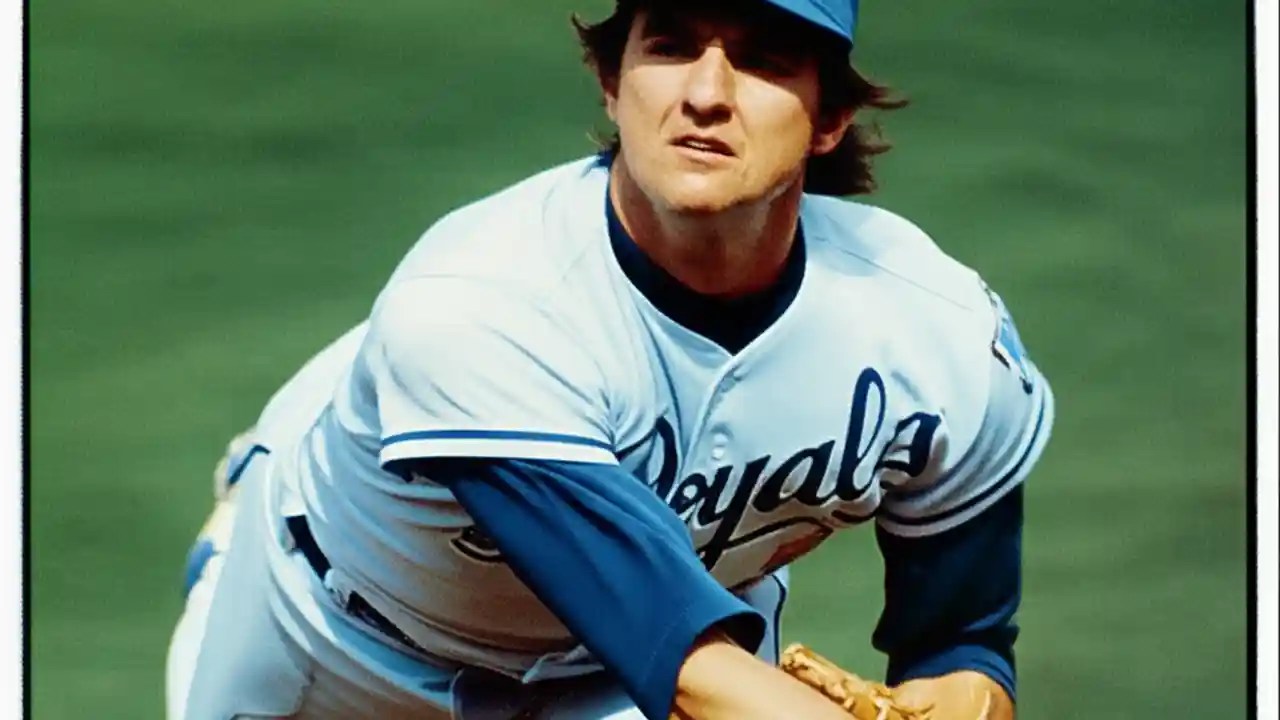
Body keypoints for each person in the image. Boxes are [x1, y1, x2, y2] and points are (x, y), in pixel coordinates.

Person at [166, 0, 1055, 717]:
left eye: (763, 58)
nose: (706, 92)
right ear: (610, 79)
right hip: (338, 647)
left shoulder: (937, 334)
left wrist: (966, 698)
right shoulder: (481, 304)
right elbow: (681, 658)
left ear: (830, 119)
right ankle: (242, 515)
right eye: (670, 44)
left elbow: (963, 644)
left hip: (618, 681)